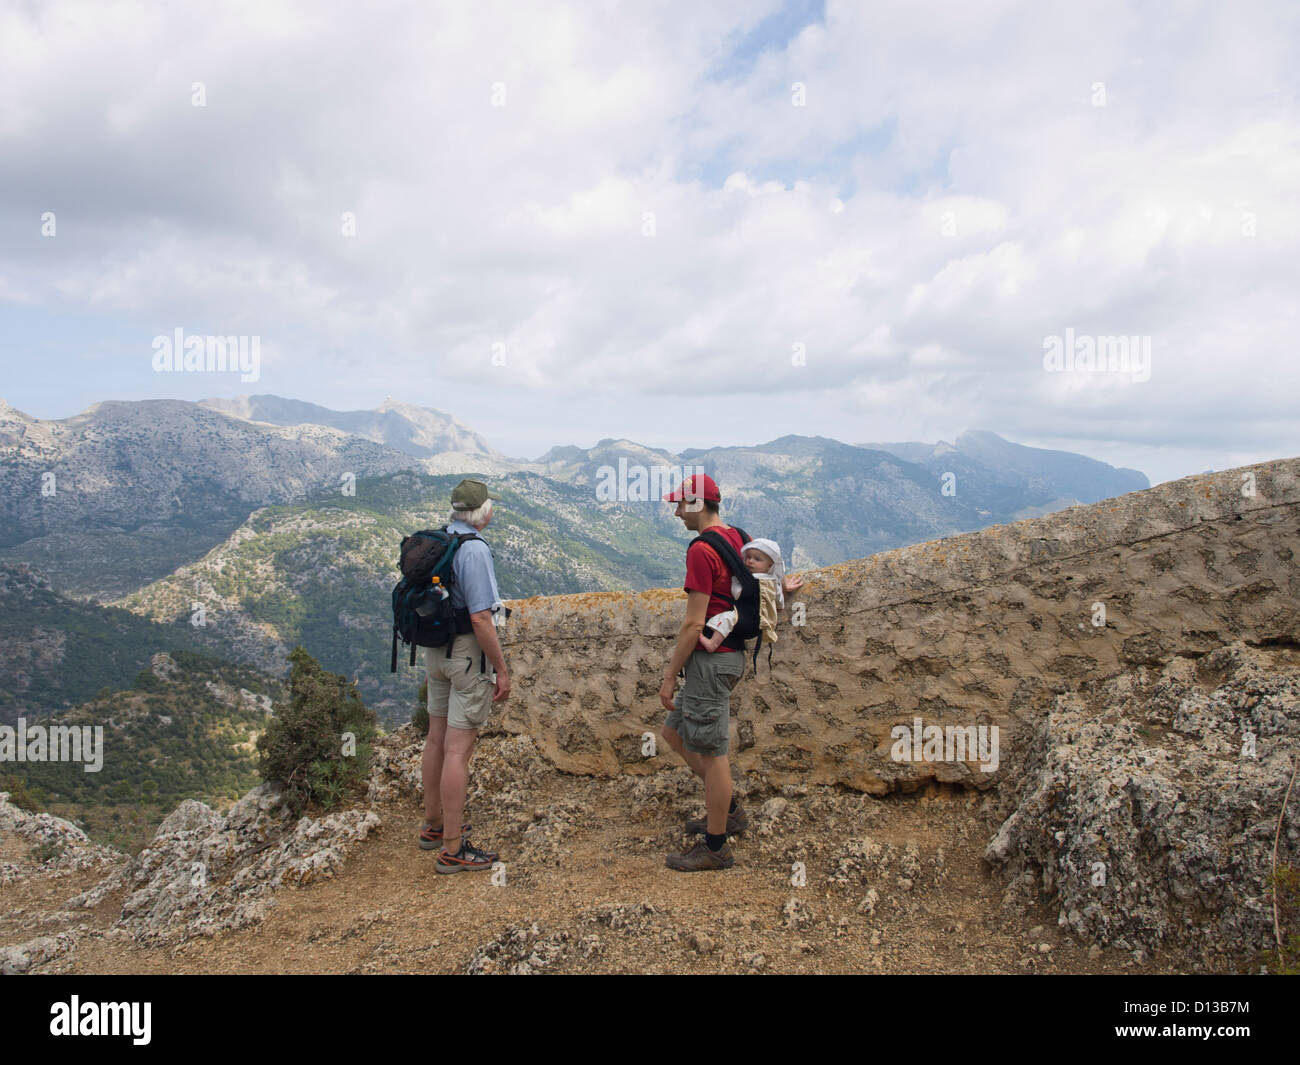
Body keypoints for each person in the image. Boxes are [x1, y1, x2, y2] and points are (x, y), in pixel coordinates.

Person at [658, 474, 798, 871]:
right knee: (673, 731)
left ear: (699, 505)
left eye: (681, 504)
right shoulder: (739, 537)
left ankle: (716, 846)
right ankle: (728, 808)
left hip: (711, 660)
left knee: (713, 753)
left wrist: (669, 676)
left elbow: (692, 623)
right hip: (729, 658)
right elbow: (759, 580)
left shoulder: (702, 550)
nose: (676, 512)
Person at [419, 478, 511, 873]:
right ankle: (454, 848)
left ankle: (434, 825)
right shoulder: (473, 550)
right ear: (481, 513)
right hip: (466, 658)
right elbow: (481, 617)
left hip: (435, 655)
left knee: (436, 739)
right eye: (490, 505)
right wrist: (502, 669)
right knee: (459, 751)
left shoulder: (439, 541)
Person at [697, 537, 802, 652]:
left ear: (769, 565)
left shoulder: (750, 581)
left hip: (745, 620)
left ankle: (712, 643)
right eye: (748, 557)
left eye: (757, 559)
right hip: (758, 625)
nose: (750, 561)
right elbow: (779, 601)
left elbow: (736, 594)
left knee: (727, 618)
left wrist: (736, 581)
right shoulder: (773, 582)